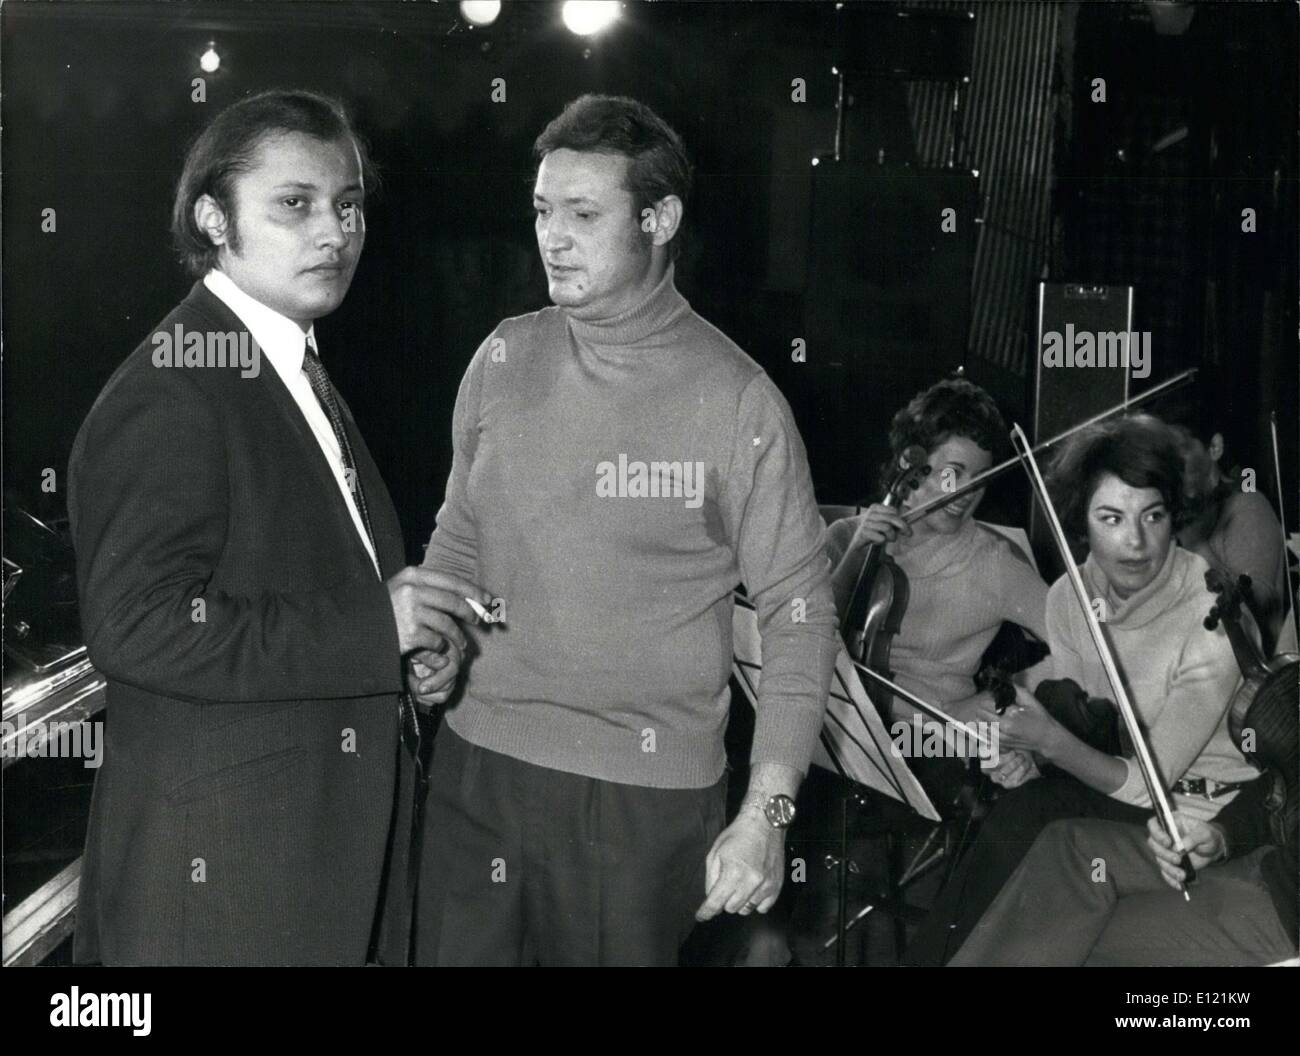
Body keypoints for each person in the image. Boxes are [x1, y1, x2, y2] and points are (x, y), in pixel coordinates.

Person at [413, 94, 840, 966]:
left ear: (660, 219)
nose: (551, 237)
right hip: (475, 769)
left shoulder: (739, 399)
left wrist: (767, 815)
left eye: (582, 214)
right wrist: (435, 639)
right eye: (541, 210)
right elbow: (459, 538)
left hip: (639, 800)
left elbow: (800, 612)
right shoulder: (502, 355)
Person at [68, 90, 486, 965]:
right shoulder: (176, 385)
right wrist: (376, 627)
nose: (334, 232)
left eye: (348, 206)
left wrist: (400, 662)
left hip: (305, 867)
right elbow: (135, 627)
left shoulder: (288, 365)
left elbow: (293, 593)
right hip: (225, 887)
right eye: (294, 204)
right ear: (213, 217)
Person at [903, 414, 1257, 965]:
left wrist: (1052, 746)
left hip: (1194, 813)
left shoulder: (1213, 614)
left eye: (1153, 516)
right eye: (1111, 518)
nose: (1135, 542)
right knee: (1016, 807)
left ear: (1174, 516)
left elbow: (1148, 787)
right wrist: (1028, 756)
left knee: (1026, 822)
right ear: (1082, 523)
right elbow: (1087, 720)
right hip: (1118, 789)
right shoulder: (1070, 596)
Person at [741, 379, 1050, 966]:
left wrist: (1012, 701)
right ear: (914, 465)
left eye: (981, 476)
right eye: (952, 471)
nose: (965, 492)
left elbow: (1080, 643)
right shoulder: (845, 538)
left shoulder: (995, 566)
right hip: (838, 738)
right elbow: (804, 641)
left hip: (929, 752)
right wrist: (858, 549)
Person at [948, 769, 1298, 965]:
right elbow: (1281, 780)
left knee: (1072, 937)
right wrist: (1222, 835)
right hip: (1266, 860)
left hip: (1283, 921)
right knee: (1072, 846)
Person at [1173, 421, 1289, 653]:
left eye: (1180, 449)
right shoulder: (1176, 517)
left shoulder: (1246, 504)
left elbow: (1261, 608)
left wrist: (1196, 545)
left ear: (1214, 447)